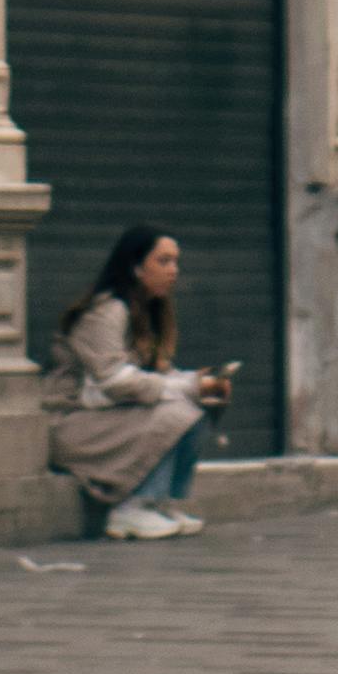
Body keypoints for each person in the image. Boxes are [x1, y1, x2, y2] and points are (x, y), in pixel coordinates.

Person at [40, 228, 221, 539]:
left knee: (197, 408)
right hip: (72, 424)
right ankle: (134, 507)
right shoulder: (108, 311)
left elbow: (156, 375)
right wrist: (189, 388)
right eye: (163, 261)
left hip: (106, 417)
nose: (173, 270)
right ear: (135, 267)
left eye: (176, 261)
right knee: (177, 412)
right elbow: (114, 381)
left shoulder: (148, 310)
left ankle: (162, 503)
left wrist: (201, 383)